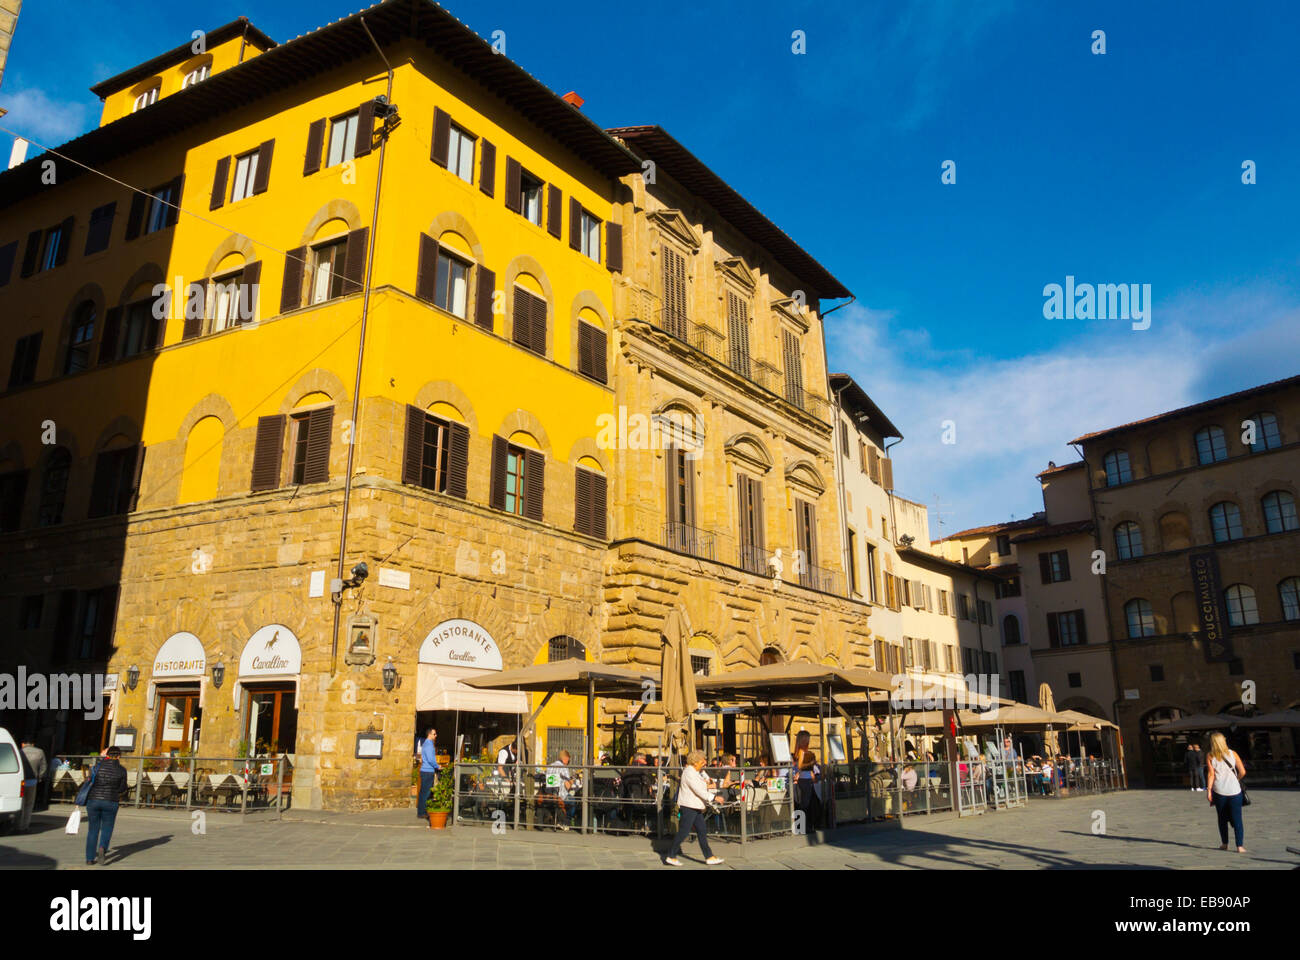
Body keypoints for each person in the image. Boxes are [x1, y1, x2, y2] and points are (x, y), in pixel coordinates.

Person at [664, 749, 725, 866]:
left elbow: (701, 786)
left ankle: (709, 856)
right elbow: (698, 790)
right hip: (689, 806)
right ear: (695, 762)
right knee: (684, 831)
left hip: (695, 806)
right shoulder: (689, 773)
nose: (705, 763)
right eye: (702, 761)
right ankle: (671, 855)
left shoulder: (695, 772)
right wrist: (714, 798)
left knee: (702, 831)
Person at [84, 746, 130, 865]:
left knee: (93, 829)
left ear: (107, 755)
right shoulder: (122, 770)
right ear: (119, 756)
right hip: (111, 800)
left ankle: (89, 858)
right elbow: (122, 788)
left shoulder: (96, 767)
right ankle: (102, 848)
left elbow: (90, 781)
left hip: (93, 800)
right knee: (107, 828)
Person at [1205, 732, 1247, 853]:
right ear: (1223, 741)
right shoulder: (1233, 753)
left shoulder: (1210, 756)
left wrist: (1209, 791)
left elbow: (1211, 774)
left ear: (1212, 743)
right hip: (1235, 791)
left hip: (1219, 791)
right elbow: (1243, 771)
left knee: (1222, 818)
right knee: (1237, 818)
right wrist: (1236, 779)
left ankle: (1224, 843)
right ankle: (1240, 846)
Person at [549, 750, 579, 828]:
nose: (568, 762)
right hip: (561, 796)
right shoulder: (563, 768)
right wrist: (572, 780)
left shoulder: (550, 766)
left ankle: (558, 819)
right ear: (566, 758)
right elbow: (567, 786)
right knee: (573, 801)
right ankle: (566, 822)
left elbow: (551, 783)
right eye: (568, 760)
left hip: (551, 795)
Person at [416, 728, 439, 819]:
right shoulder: (429, 745)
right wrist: (437, 766)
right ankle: (422, 812)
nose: (436, 735)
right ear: (430, 734)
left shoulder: (426, 743)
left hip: (424, 770)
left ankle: (421, 811)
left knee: (423, 793)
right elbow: (430, 759)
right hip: (428, 771)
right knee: (426, 793)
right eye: (434, 734)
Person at [20, 739, 48, 810]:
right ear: (33, 744)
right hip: (32, 780)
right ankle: (26, 820)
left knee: (20, 802)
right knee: (29, 804)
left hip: (20, 780)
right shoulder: (40, 752)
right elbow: (43, 767)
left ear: (23, 744)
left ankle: (19, 820)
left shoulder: (19, 751)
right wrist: (39, 778)